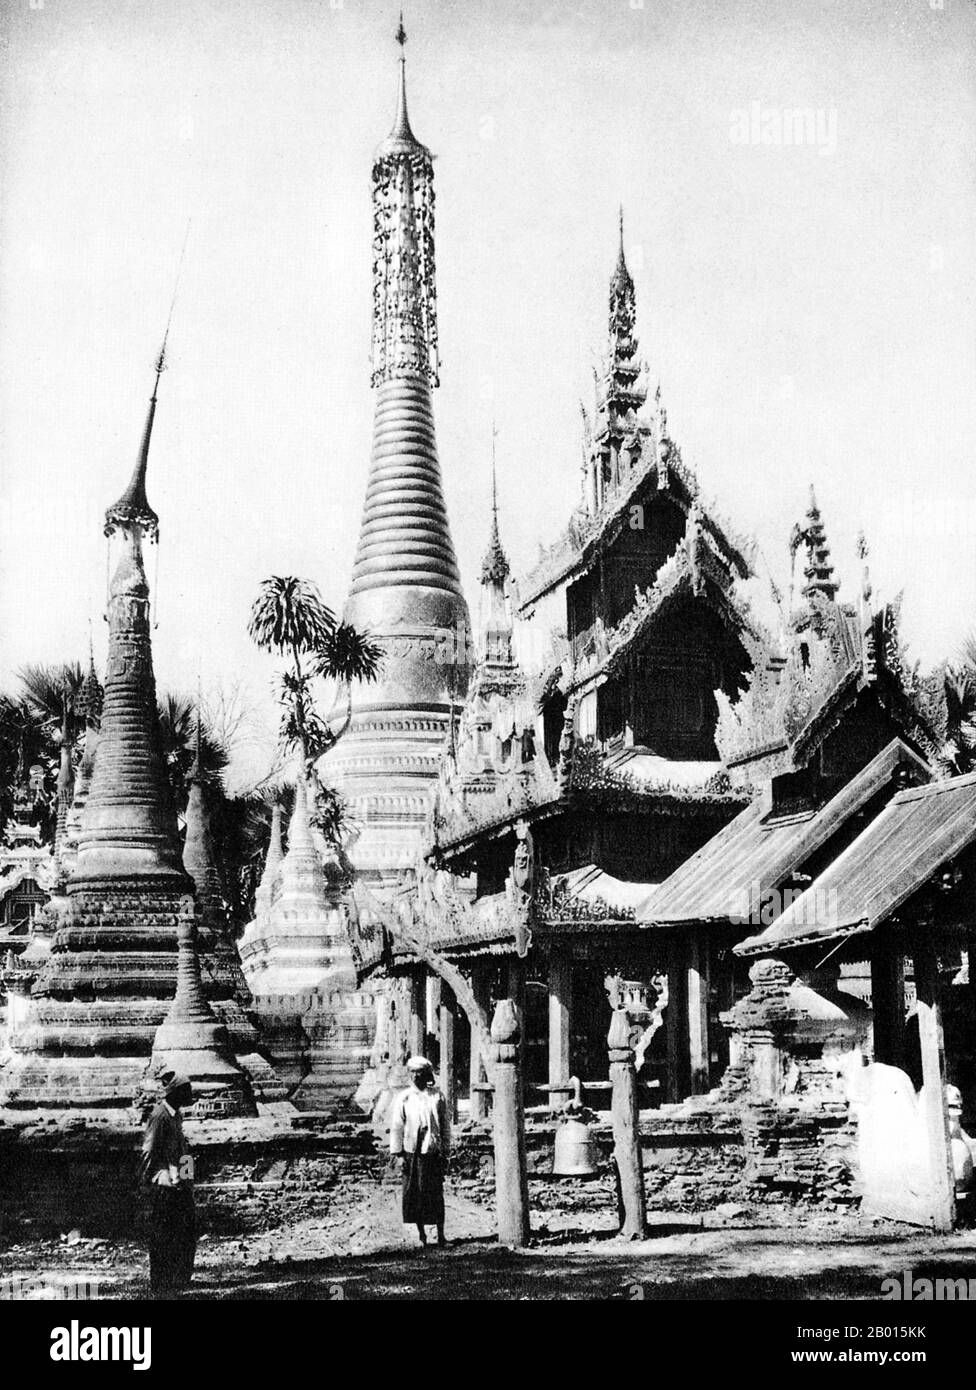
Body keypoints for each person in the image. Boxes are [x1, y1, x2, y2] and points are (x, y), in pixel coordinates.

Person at [140, 1070, 197, 1298]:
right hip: (164, 1186)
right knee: (163, 1234)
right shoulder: (160, 1116)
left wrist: (188, 1180)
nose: (190, 1094)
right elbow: (149, 1151)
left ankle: (178, 1279)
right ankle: (161, 1283)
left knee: (185, 1232)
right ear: (176, 1093)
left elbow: (183, 1151)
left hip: (179, 1185)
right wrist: (146, 1183)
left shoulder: (176, 1116)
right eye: (186, 1090)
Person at [389, 1056, 451, 1248]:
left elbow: (445, 1126)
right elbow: (397, 1126)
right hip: (412, 1152)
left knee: (435, 1193)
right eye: (413, 1072)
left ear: (427, 1075)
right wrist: (397, 1154)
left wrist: (446, 1152)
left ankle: (441, 1235)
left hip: (432, 1151)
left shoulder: (437, 1096)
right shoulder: (404, 1097)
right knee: (415, 1193)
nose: (416, 1076)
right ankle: (421, 1236)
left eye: (420, 1073)